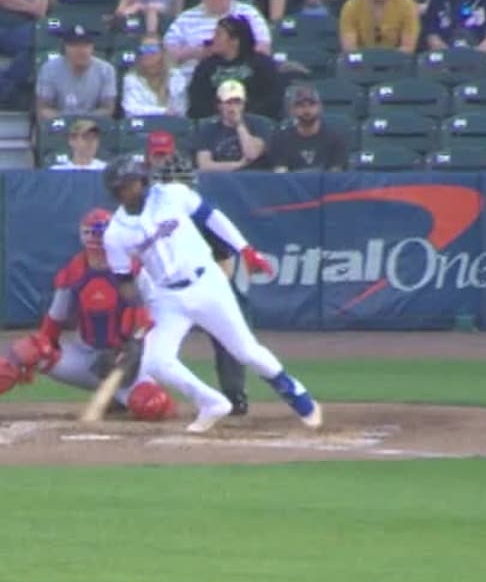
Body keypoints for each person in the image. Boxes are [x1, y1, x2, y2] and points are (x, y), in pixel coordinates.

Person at [101, 157, 321, 433]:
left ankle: (294, 391)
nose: (128, 190)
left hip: (207, 282)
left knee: (245, 350)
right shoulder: (115, 233)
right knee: (155, 362)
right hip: (167, 297)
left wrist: (245, 249)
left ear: (142, 180)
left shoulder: (172, 194)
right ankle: (211, 402)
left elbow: (212, 217)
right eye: (121, 187)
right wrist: (139, 309)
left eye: (131, 183)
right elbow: (124, 280)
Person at [0, 209, 176, 422]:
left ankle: (118, 397)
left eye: (101, 234)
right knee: (30, 348)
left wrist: (137, 349)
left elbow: (157, 312)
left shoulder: (133, 271)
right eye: (91, 233)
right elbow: (52, 325)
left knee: (153, 406)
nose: (97, 241)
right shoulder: (73, 273)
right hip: (85, 359)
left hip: (125, 363)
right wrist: (42, 349)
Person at [146, 131, 251, 417]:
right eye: (157, 155)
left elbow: (225, 258)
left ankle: (233, 393)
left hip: (203, 283)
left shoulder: (196, 209)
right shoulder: (142, 204)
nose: (162, 161)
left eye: (165, 155)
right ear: (148, 159)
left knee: (230, 322)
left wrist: (206, 292)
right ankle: (140, 392)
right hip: (158, 290)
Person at [164, 0, 273, 86]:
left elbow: (263, 49)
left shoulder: (249, 14)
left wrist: (229, 53)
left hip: (240, 78)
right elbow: (166, 54)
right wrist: (195, 52)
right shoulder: (185, 18)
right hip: (192, 80)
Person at [185, 15, 283, 120]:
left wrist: (242, 116)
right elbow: (197, 102)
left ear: (235, 40)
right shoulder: (205, 67)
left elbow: (272, 99)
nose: (212, 39)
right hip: (216, 126)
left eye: (218, 35)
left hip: (254, 123)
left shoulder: (261, 64)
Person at [36, 24, 118, 122]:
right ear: (65, 48)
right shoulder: (49, 69)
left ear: (92, 47)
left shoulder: (106, 70)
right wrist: (69, 122)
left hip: (93, 128)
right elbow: (43, 109)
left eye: (86, 45)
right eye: (75, 45)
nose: (81, 50)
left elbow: (107, 109)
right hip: (59, 126)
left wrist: (83, 123)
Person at [193, 79, 273, 170]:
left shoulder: (259, 123)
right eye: (228, 102)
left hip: (253, 178)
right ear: (219, 105)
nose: (233, 107)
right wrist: (238, 165)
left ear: (244, 104)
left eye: (237, 102)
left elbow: (251, 154)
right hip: (219, 179)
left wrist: (239, 124)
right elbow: (204, 165)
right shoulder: (208, 127)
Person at [269, 82, 351, 170]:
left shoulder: (335, 138)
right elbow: (281, 175)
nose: (306, 110)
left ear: (320, 107)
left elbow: (336, 175)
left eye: (312, 104)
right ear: (292, 110)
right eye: (300, 105)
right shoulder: (281, 139)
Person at [339, 0, 422, 53]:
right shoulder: (351, 6)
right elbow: (349, 48)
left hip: (397, 64)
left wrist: (384, 60)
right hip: (361, 65)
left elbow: (408, 48)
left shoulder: (406, 5)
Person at [122, 34, 189, 116]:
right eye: (144, 50)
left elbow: (180, 109)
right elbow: (131, 109)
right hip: (142, 126)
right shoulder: (131, 78)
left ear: (162, 52)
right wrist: (163, 111)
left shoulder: (176, 76)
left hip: (172, 125)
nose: (147, 54)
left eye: (152, 49)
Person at [116, 0, 183, 36]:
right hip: (141, 7)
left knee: (151, 9)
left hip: (162, 7)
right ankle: (135, 35)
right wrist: (120, 10)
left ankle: (151, 36)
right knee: (137, 10)